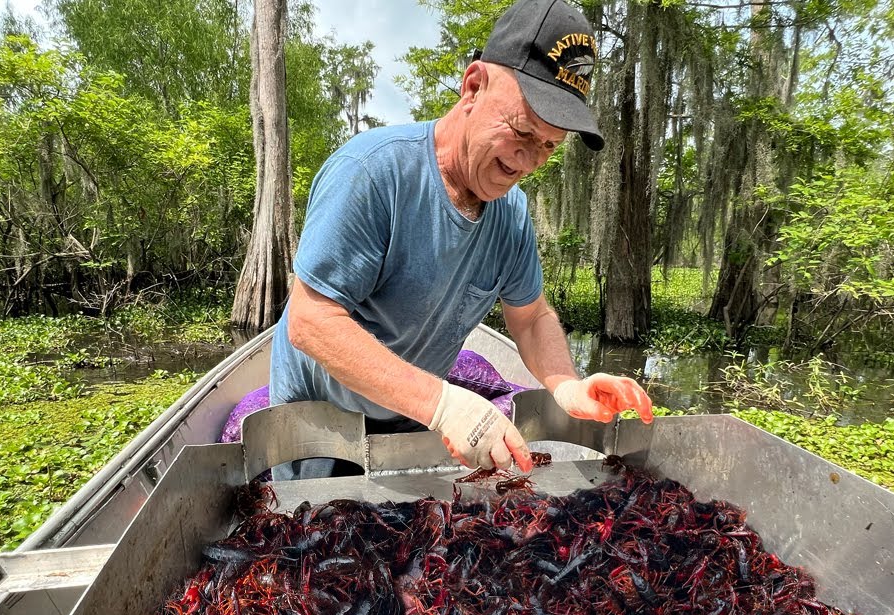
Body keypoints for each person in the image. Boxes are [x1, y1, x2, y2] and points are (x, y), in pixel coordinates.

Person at [270, 0, 654, 479]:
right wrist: (442, 403)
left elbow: (531, 318)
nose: (529, 160)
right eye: (522, 130)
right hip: (320, 421)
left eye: (549, 146)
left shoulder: (511, 216)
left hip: (412, 414)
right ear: (473, 86)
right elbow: (310, 321)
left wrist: (568, 387)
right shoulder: (371, 174)